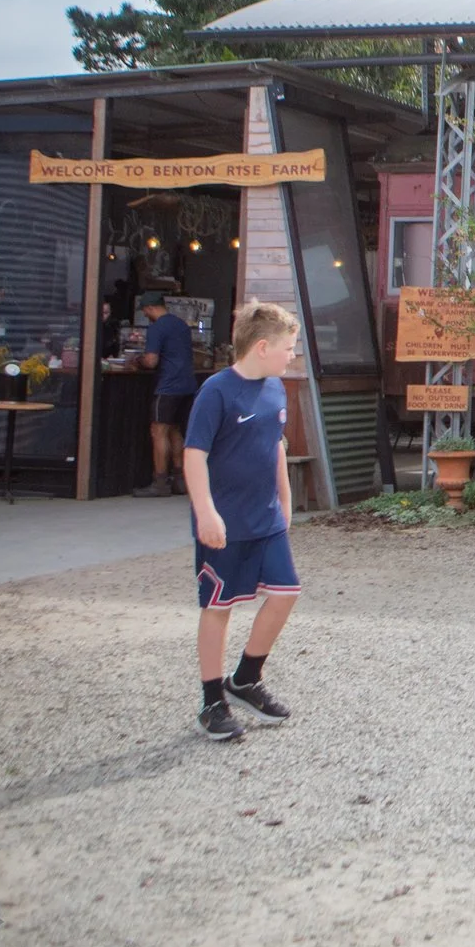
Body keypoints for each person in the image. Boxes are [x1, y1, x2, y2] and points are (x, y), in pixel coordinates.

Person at [183, 300, 301, 742]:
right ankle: (212, 701)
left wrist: (285, 500)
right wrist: (206, 511)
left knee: (287, 593)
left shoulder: (275, 390)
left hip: (266, 519)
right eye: (289, 347)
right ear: (263, 346)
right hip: (226, 523)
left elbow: (276, 448)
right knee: (219, 608)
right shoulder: (216, 391)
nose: (293, 355)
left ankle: (246, 678)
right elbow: (194, 454)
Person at [133, 292, 198, 497]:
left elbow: (151, 361)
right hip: (188, 384)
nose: (144, 313)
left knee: (158, 431)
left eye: (144, 310)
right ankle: (179, 480)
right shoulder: (181, 325)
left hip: (168, 385)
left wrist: (137, 361)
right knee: (175, 430)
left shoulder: (157, 327)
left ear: (150, 308)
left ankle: (159, 481)